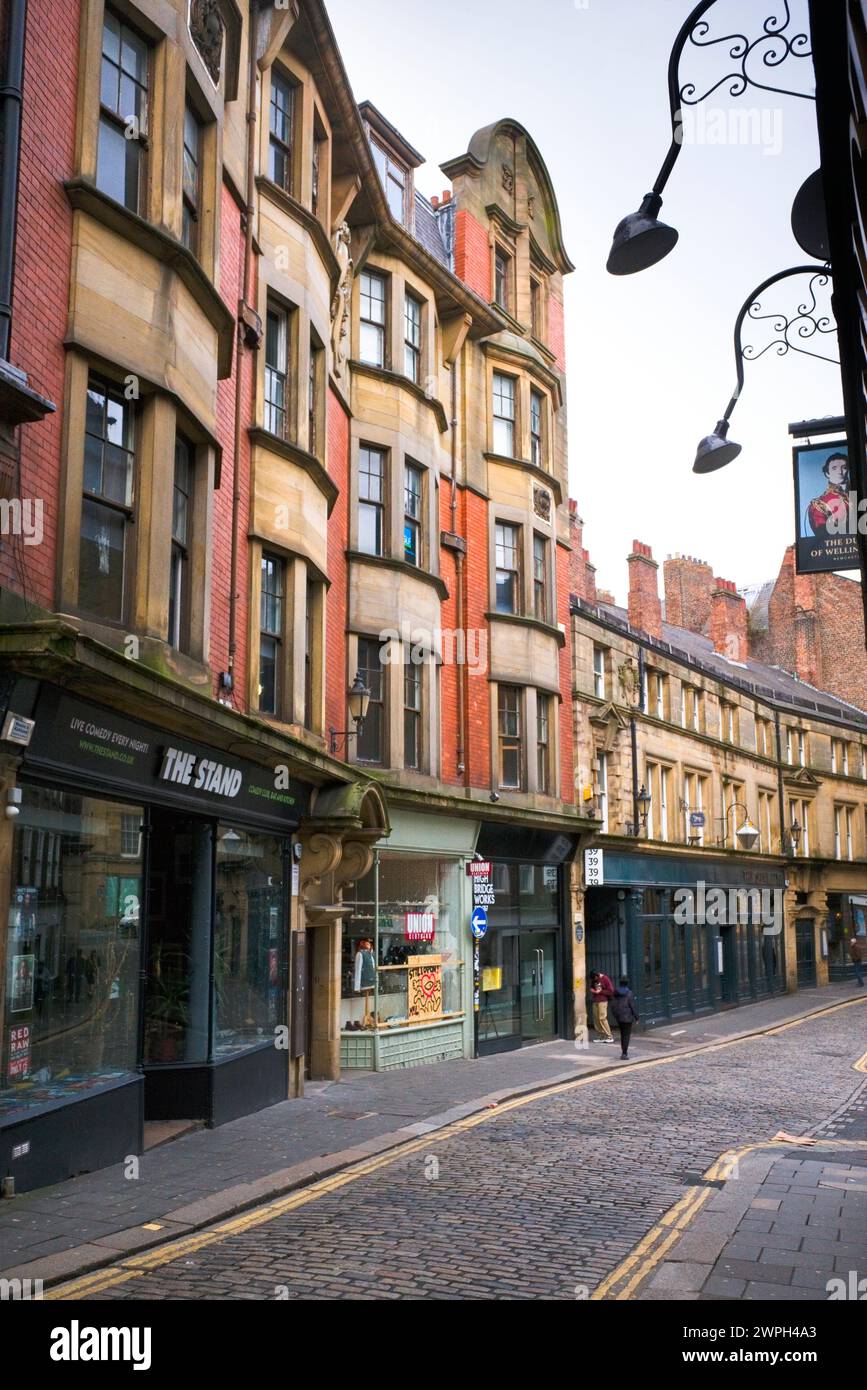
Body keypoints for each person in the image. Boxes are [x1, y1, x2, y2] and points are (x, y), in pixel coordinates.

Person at [807, 452, 849, 538]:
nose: (840, 472)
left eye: (844, 467)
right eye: (834, 468)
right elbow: (823, 537)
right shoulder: (818, 504)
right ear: (827, 473)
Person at [610, 976, 640, 1059]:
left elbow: (613, 1005)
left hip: (619, 1017)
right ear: (627, 984)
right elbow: (632, 1006)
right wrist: (636, 1017)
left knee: (622, 1034)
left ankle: (623, 1052)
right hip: (627, 1017)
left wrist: (615, 1015)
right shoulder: (629, 993)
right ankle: (624, 1053)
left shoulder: (615, 993)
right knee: (626, 1035)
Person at [589, 969, 615, 1043]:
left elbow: (611, 991)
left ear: (597, 975)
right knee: (596, 1019)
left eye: (595, 978)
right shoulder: (594, 979)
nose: (594, 980)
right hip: (595, 1001)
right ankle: (600, 1036)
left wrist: (601, 991)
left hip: (603, 1001)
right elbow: (591, 987)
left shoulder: (605, 979)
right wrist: (593, 991)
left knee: (602, 1018)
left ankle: (609, 1036)